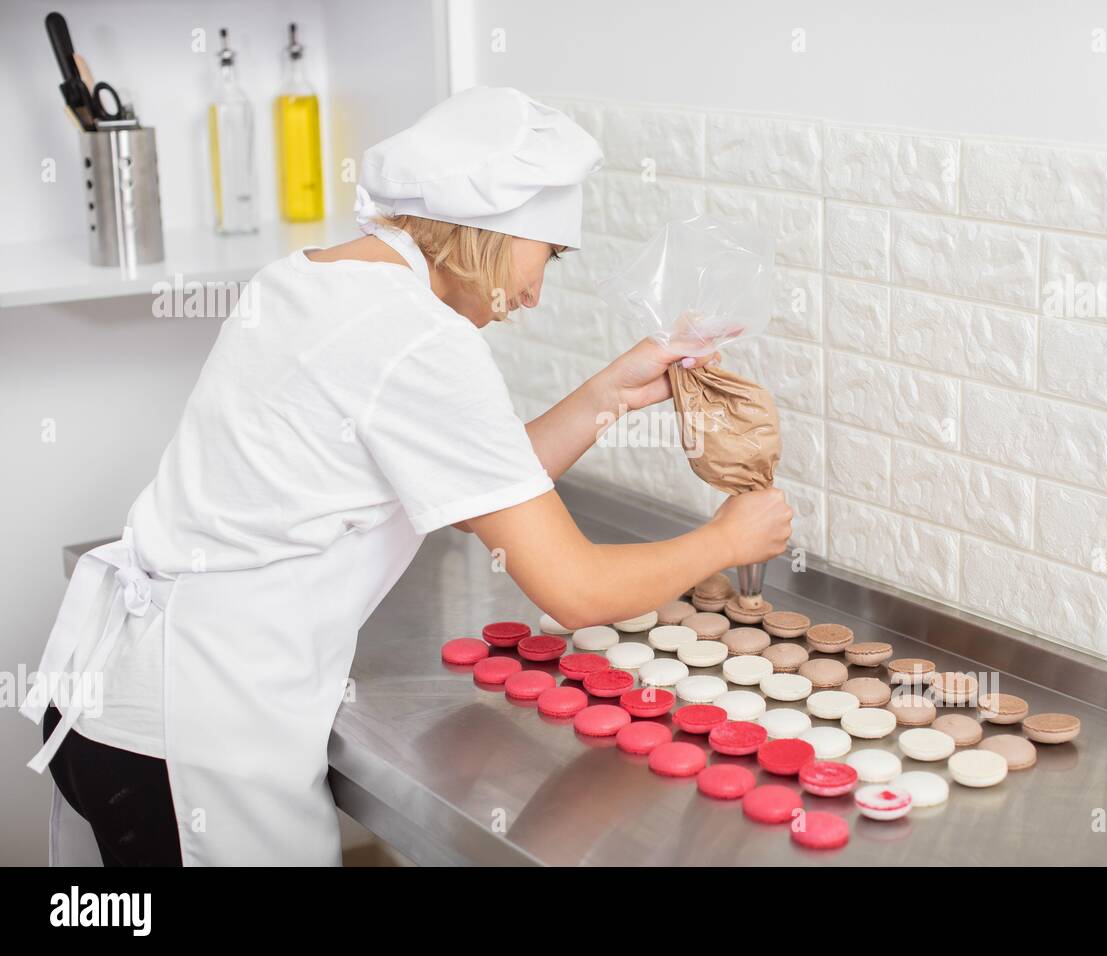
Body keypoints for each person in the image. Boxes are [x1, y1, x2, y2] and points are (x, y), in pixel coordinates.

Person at [20, 86, 792, 866]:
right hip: (192, 742)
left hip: (108, 701)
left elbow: (468, 498)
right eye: (547, 256)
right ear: (489, 230)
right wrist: (727, 538)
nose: (533, 293)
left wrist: (607, 396)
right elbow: (577, 589)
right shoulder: (421, 341)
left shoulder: (312, 277)